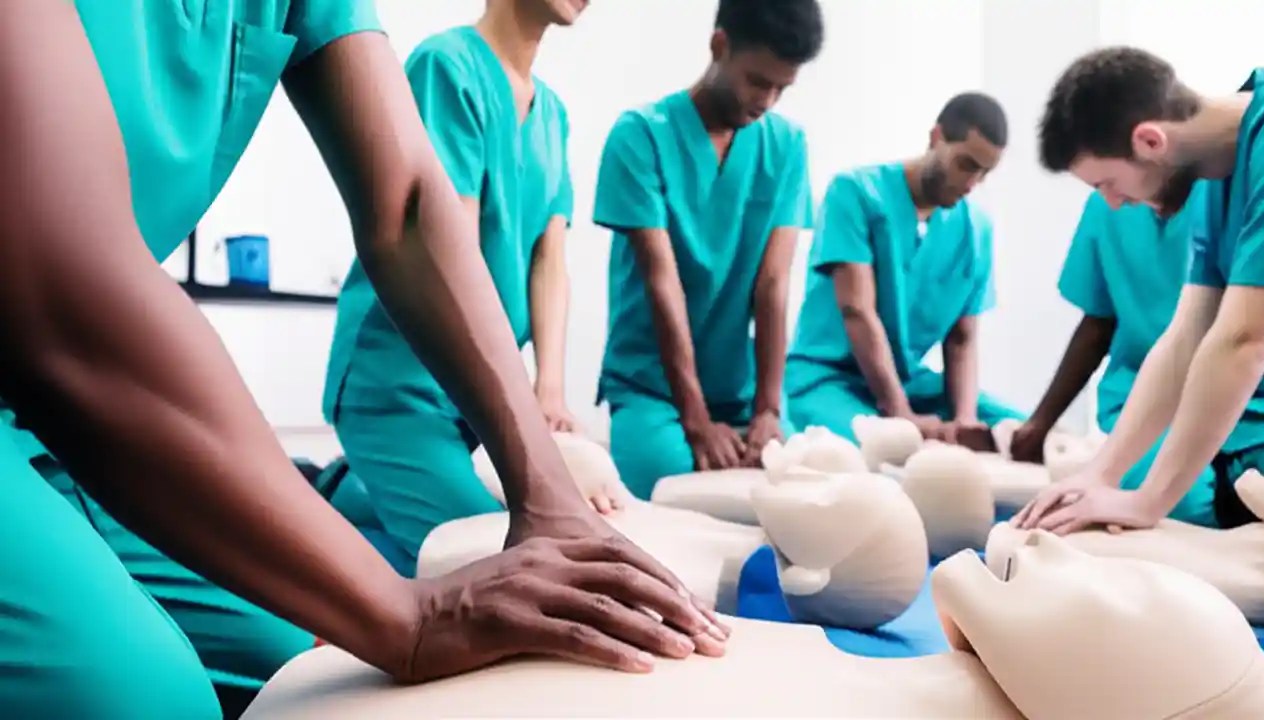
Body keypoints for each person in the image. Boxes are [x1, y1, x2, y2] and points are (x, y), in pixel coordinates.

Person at [0, 2, 724, 718]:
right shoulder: (454, 68)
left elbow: (407, 202)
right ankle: (344, 488)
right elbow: (60, 292)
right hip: (62, 355)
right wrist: (413, 617)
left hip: (61, 405)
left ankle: (337, 489)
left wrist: (549, 497)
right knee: (140, 697)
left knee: (294, 664)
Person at [323, 0, 609, 571]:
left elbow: (550, 258)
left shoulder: (551, 114)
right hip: (398, 388)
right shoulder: (446, 67)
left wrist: (547, 388)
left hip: (472, 400)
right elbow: (445, 248)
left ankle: (344, 488)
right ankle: (360, 475)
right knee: (497, 561)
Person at [1014, 47, 1264, 535]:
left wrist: (1148, 503)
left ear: (1151, 141)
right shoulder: (1220, 170)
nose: (1113, 204)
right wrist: (1100, 475)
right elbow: (1187, 336)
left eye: (1108, 183)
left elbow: (1244, 340)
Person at [593, 0, 824, 499]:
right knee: (672, 476)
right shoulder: (640, 135)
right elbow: (663, 282)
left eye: (782, 88)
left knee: (807, 476)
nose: (768, 100)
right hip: (651, 387)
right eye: (758, 81)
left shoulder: (787, 146)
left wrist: (767, 410)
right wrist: (696, 422)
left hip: (740, 389)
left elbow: (773, 283)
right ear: (720, 46)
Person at [1009, 187, 1264, 527]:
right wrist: (1041, 423)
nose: (1111, 195)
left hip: (1253, 401)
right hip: (1145, 405)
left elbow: (1249, 333)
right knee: (1178, 502)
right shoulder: (1107, 207)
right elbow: (1097, 324)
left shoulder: (1226, 192)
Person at [785, 93, 1023, 448]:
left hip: (912, 383)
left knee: (1023, 435)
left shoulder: (976, 229)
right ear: (936, 137)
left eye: (985, 172)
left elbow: (961, 338)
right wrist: (901, 414)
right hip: (828, 381)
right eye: (966, 164)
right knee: (886, 448)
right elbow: (857, 311)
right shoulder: (855, 194)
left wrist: (964, 420)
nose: (972, 183)